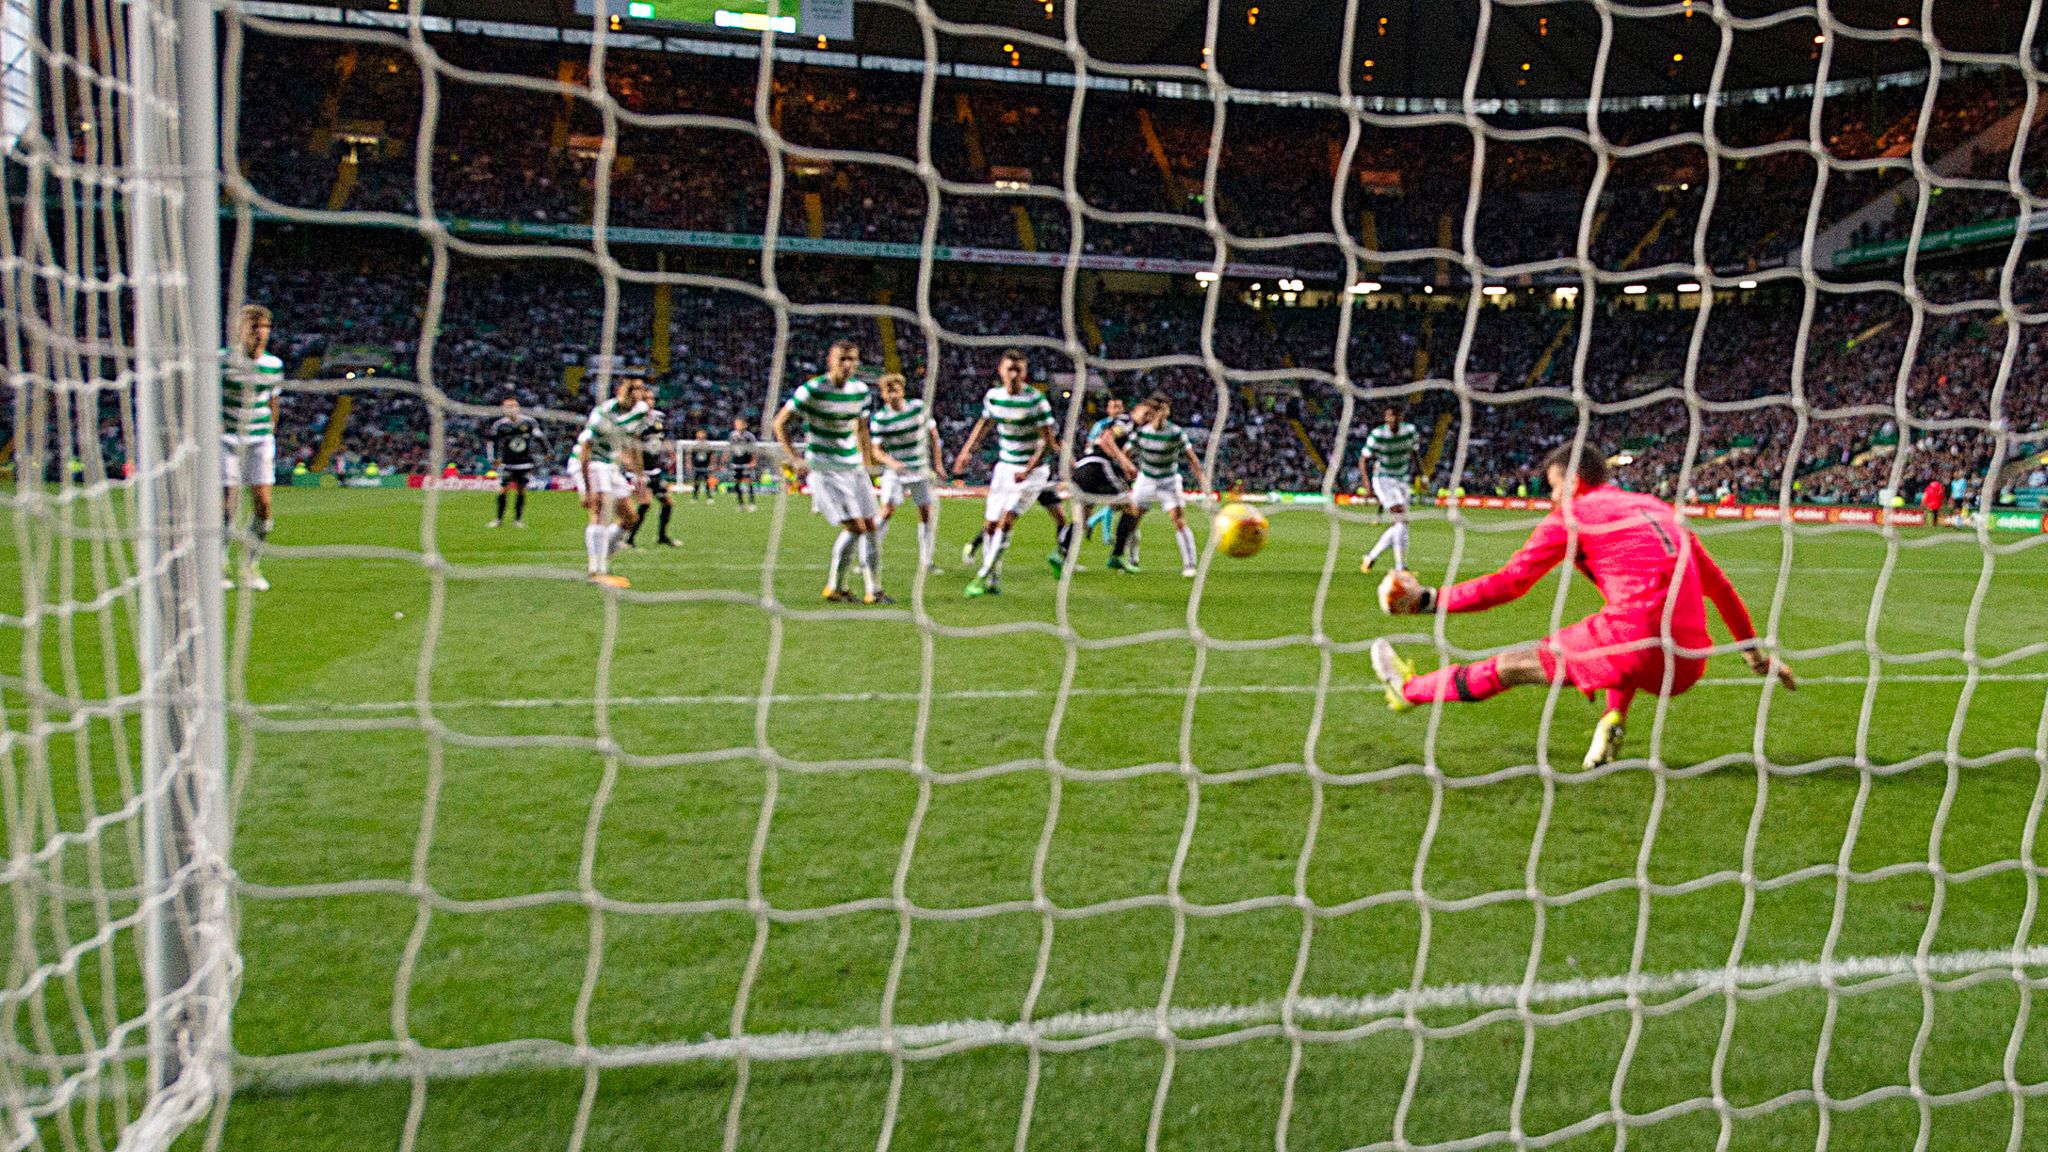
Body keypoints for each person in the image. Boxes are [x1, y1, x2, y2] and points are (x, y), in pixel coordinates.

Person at [1370, 444, 1796, 769]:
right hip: (1688, 662)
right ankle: (1613, 719)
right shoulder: (1658, 508)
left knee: (1512, 664)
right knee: (1628, 625)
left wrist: (1427, 601)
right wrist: (1754, 656)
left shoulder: (1573, 514)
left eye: (1553, 487)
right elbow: (1720, 587)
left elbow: (1510, 584)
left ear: (1572, 481)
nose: (1552, 497)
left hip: (1637, 642)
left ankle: (1408, 691)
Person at [772, 340, 902, 604]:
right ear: (830, 361)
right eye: (842, 359)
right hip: (825, 468)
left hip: (853, 468)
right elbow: (780, 422)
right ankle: (838, 587)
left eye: (852, 359)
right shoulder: (812, 390)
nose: (847, 364)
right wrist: (795, 458)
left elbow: (862, 428)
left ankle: (870, 590)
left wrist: (867, 464)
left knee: (871, 527)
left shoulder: (860, 391)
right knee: (856, 527)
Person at [951, 349, 1058, 598]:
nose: (1013, 374)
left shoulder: (1036, 401)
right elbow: (984, 424)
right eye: (1009, 369)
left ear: (1025, 373)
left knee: (1007, 520)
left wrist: (1028, 469)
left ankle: (982, 575)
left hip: (1033, 471)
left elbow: (1049, 443)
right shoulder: (994, 397)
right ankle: (993, 581)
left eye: (1018, 370)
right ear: (1000, 371)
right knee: (989, 526)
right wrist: (966, 451)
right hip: (1004, 468)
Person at [223, 303, 284, 591]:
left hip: (260, 439)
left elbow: (274, 401)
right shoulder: (222, 362)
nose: (260, 333)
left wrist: (271, 430)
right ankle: (219, 564)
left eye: (264, 327)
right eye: (253, 327)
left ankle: (250, 566)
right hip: (226, 439)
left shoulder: (274, 365)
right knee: (227, 504)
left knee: (263, 503)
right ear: (240, 331)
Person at [575, 376, 651, 587]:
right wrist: (587, 489)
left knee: (630, 517)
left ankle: (602, 563)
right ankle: (595, 569)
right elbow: (585, 451)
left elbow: (634, 446)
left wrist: (640, 481)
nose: (640, 394)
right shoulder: (602, 414)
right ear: (623, 392)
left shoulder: (641, 411)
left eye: (642, 390)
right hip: (592, 462)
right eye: (634, 390)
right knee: (599, 512)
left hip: (612, 463)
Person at [869, 372, 947, 575]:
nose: (892, 393)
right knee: (886, 511)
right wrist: (890, 461)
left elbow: (934, 436)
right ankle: (868, 557)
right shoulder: (880, 419)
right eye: (888, 390)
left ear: (902, 390)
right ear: (883, 395)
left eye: (895, 388)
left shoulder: (919, 408)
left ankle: (927, 562)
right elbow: (876, 449)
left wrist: (938, 464)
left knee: (926, 512)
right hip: (895, 472)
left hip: (919, 469)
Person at [1124, 393, 1207, 577]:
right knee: (1133, 518)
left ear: (1168, 412)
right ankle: (1132, 559)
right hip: (1146, 479)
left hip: (1168, 479)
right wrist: (1126, 476)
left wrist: (1203, 483)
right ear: (1152, 413)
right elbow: (1126, 454)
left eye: (1164, 410)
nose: (1161, 413)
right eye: (1158, 410)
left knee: (1178, 519)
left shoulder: (1176, 433)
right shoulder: (1141, 432)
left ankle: (1190, 565)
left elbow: (1192, 459)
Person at [1073, 396, 1149, 569]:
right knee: (1130, 508)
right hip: (1098, 465)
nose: (1147, 419)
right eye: (1146, 414)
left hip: (1085, 465)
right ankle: (1116, 556)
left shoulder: (1126, 426)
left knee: (1083, 518)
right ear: (1136, 409)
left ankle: (1062, 554)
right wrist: (1124, 462)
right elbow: (1106, 439)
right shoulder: (1126, 422)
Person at [1358, 406, 1420, 576]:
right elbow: (1363, 459)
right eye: (1389, 416)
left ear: (1401, 416)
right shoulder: (1377, 435)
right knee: (1400, 520)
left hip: (1402, 479)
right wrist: (1367, 486)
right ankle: (1401, 568)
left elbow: (1415, 453)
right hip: (1383, 479)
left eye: (1396, 415)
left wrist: (1422, 475)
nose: (1392, 419)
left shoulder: (1410, 432)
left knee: (1401, 526)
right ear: (1386, 418)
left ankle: (1370, 557)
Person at [486, 394, 548, 529]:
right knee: (503, 490)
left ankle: (518, 520)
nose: (510, 409)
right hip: (507, 463)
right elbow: (492, 442)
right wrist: (493, 458)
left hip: (524, 462)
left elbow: (540, 438)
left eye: (513, 406)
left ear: (518, 408)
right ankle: (498, 520)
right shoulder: (500, 425)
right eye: (507, 407)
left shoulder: (529, 422)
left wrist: (547, 452)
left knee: (521, 490)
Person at [627, 407, 679, 547]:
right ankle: (629, 539)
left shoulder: (658, 419)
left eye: (651, 399)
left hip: (654, 471)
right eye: (647, 399)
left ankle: (662, 537)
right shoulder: (635, 421)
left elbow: (659, 441)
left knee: (667, 502)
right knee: (645, 503)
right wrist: (636, 470)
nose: (650, 402)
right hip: (640, 472)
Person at [727, 416, 760, 510]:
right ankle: (741, 504)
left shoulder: (749, 436)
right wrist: (724, 460)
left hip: (747, 462)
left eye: (740, 424)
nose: (738, 426)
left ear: (744, 425)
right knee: (737, 483)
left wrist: (753, 461)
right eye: (736, 424)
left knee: (749, 482)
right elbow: (729, 448)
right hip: (736, 462)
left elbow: (754, 450)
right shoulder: (732, 435)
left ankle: (752, 503)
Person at [687, 429, 720, 503]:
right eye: (700, 433)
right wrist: (688, 464)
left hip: (705, 466)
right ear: (696, 434)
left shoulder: (708, 445)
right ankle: (695, 497)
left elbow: (712, 455)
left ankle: (709, 497)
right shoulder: (693, 444)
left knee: (707, 482)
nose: (701, 435)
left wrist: (712, 464)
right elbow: (688, 454)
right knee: (696, 482)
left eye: (703, 433)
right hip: (696, 466)